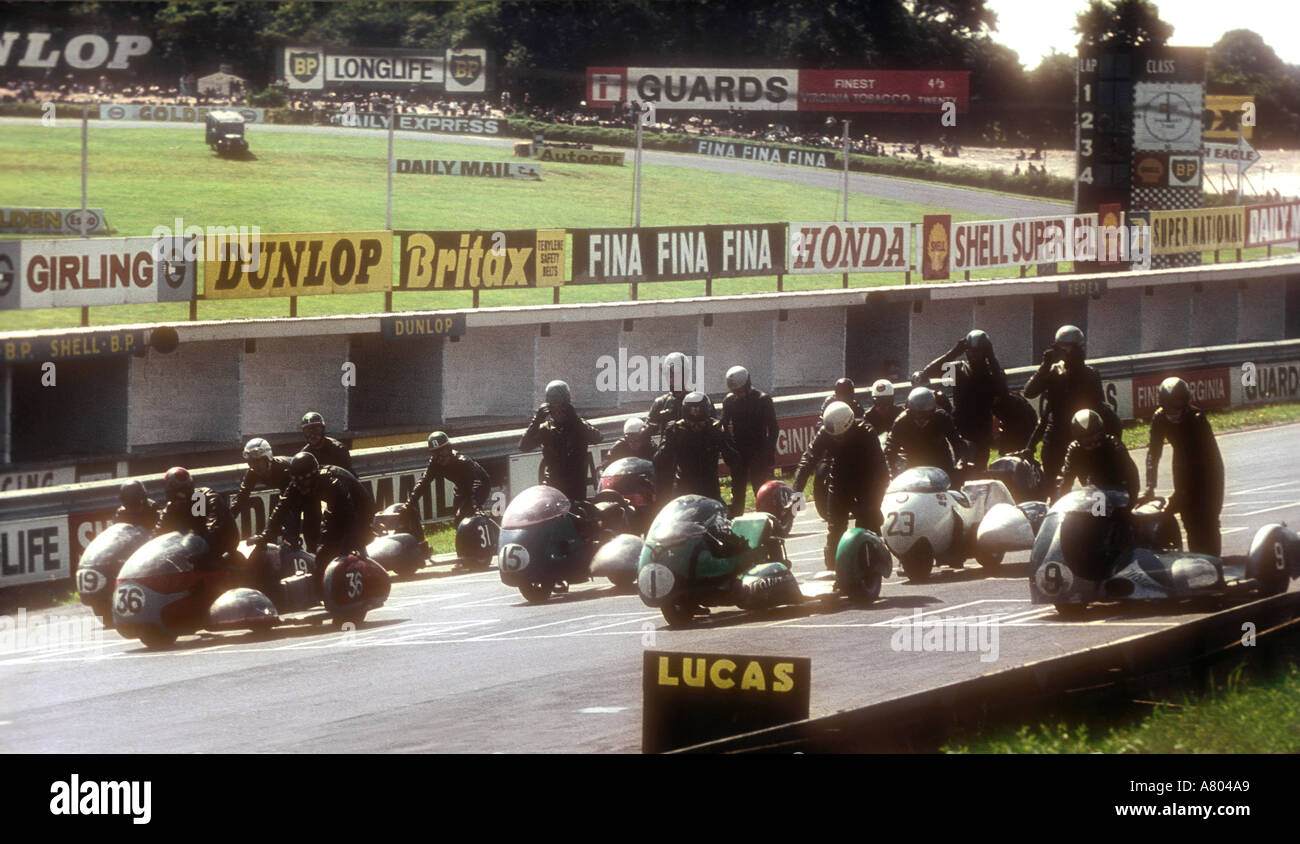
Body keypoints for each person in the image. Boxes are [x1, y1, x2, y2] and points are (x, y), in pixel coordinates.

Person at [792, 401, 889, 570]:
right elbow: (808, 460)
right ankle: (833, 568)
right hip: (840, 479)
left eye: (841, 436)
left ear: (849, 424)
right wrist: (797, 493)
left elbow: (881, 469)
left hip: (868, 479)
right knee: (835, 526)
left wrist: (875, 500)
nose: (837, 439)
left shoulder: (866, 431)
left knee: (868, 521)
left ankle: (871, 564)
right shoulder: (825, 433)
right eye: (834, 436)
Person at [1023, 325, 1107, 497]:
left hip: (1083, 437)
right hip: (1055, 439)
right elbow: (1030, 392)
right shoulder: (1052, 372)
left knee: (1094, 487)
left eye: (1068, 348)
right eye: (1060, 348)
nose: (1064, 353)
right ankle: (1056, 520)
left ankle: (1099, 518)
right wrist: (1045, 365)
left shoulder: (1090, 375)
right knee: (1053, 489)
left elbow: (1100, 410)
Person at [1144, 377, 1225, 555]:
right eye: (1171, 407)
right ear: (1163, 405)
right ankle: (1198, 561)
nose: (1175, 412)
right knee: (1189, 521)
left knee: (1207, 520)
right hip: (1181, 464)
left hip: (1209, 470)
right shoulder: (1159, 418)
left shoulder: (1197, 419)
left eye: (1179, 407)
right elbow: (1153, 453)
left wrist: (1182, 493)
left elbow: (1202, 459)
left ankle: (1213, 561)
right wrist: (1150, 485)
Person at [256, 452, 375, 571]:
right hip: (336, 509)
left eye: (305, 482)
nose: (301, 487)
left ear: (314, 477)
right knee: (323, 556)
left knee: (350, 546)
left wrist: (351, 543)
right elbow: (281, 509)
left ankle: (366, 565)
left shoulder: (332, 482)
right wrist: (265, 535)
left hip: (360, 509)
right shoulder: (297, 483)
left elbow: (349, 517)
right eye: (297, 482)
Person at [917, 330, 1008, 471]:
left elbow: (1003, 390)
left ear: (985, 352)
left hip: (981, 433)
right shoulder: (959, 369)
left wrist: (991, 356)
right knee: (958, 470)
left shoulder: (992, 372)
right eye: (969, 351)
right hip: (959, 429)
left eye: (976, 352)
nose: (972, 355)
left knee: (978, 474)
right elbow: (928, 372)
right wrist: (954, 351)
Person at [520, 380, 602, 503]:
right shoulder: (545, 429)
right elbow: (524, 446)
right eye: (553, 409)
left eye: (562, 409)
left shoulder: (578, 426)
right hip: (553, 487)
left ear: (567, 407)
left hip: (575, 488)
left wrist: (574, 418)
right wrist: (536, 421)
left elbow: (597, 438)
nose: (558, 413)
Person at [655, 391, 742, 504]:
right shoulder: (675, 430)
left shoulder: (716, 429)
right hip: (683, 489)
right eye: (692, 423)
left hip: (709, 489)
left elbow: (735, 461)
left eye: (701, 423)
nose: (696, 427)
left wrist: (722, 441)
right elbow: (658, 462)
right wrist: (668, 442)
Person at [719, 365, 779, 517]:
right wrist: (729, 448)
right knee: (737, 490)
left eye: (739, 390)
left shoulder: (763, 399)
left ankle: (767, 518)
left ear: (746, 384)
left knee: (760, 488)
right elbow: (723, 425)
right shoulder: (729, 401)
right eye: (735, 391)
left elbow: (773, 428)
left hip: (758, 449)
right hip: (739, 450)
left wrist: (769, 450)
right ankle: (734, 520)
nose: (737, 394)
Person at [153, 467, 240, 568]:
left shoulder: (203, 498)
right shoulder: (170, 510)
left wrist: (202, 553)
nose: (181, 499)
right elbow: (157, 535)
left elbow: (213, 528)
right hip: (188, 557)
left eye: (185, 492)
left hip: (220, 551)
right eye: (177, 494)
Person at [884, 387, 970, 481]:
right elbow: (889, 451)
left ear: (933, 411)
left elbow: (958, 442)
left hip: (942, 465)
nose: (922, 420)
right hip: (914, 468)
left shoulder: (942, 417)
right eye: (917, 415)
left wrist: (961, 463)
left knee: (956, 484)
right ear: (909, 412)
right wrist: (893, 473)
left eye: (927, 415)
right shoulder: (901, 422)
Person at [1054, 410, 1140, 502]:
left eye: (1097, 439)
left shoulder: (1115, 447)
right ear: (1078, 440)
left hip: (1117, 498)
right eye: (1087, 442)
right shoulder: (1074, 450)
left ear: (1102, 434)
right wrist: (1059, 501)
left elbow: (1132, 477)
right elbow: (1065, 480)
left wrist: (1130, 501)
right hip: (1091, 498)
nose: (1093, 444)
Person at [404, 431, 491, 521]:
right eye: (436, 454)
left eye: (442, 452)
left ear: (449, 449)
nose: (440, 457)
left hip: (480, 485)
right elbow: (423, 482)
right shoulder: (435, 463)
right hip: (461, 486)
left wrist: (475, 506)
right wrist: (409, 503)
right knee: (457, 517)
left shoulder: (463, 462)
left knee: (463, 514)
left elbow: (474, 484)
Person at [647, 352, 712, 440]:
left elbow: (714, 430)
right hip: (669, 451)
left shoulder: (701, 401)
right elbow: (645, 432)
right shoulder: (660, 403)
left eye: (674, 374)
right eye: (668, 374)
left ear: (685, 374)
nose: (671, 378)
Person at [229, 437, 293, 518]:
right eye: (251, 462)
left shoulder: (285, 469)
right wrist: (227, 520)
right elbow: (241, 498)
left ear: (268, 458)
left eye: (258, 461)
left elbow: (289, 500)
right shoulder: (252, 472)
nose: (255, 466)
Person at [992, 389, 1039, 458]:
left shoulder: (1005, 402)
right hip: (1028, 420)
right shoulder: (1008, 396)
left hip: (1023, 423)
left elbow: (995, 425)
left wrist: (994, 436)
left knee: (1010, 453)